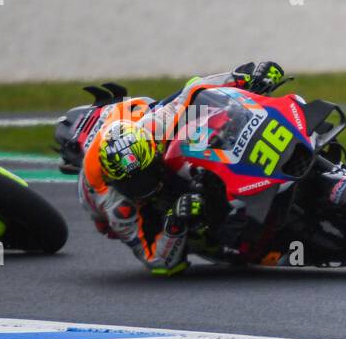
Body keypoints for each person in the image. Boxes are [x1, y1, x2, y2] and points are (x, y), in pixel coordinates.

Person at [71, 62, 287, 275]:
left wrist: (244, 79)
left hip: (134, 117)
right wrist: (175, 223)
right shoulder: (116, 206)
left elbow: (195, 89)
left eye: (146, 175)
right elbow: (156, 261)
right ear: (113, 181)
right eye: (133, 183)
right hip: (119, 199)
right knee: (198, 234)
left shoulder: (154, 127)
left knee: (195, 115)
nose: (144, 186)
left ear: (153, 151)